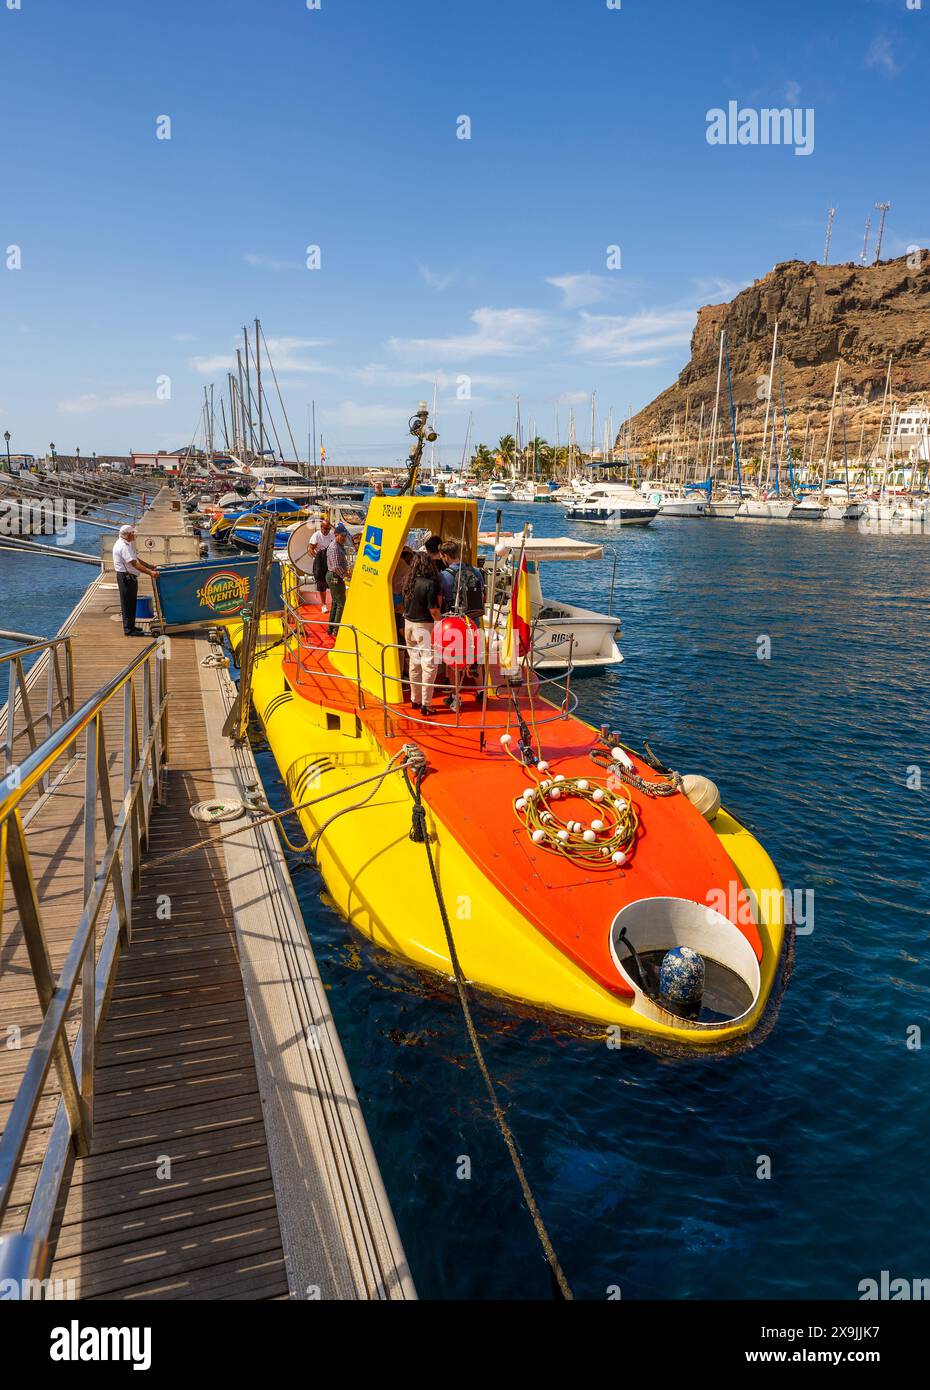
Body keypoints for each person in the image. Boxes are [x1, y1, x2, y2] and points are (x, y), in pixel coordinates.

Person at [403, 551, 442, 716]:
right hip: (423, 626)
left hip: (408, 625)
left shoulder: (409, 582)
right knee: (429, 666)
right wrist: (440, 623)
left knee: (414, 663)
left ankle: (415, 699)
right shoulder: (429, 584)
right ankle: (426, 704)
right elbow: (433, 610)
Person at [112, 524, 158, 636]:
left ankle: (131, 626)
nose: (134, 535)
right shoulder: (123, 546)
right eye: (133, 533)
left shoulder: (127, 544)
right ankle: (128, 629)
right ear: (128, 534)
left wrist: (149, 566)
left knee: (131, 602)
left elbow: (135, 558)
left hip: (129, 577)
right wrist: (150, 573)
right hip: (125, 577)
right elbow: (134, 564)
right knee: (127, 603)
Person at [324, 523, 352, 636]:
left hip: (334, 576)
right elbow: (336, 566)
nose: (344, 538)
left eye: (345, 536)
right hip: (335, 576)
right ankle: (336, 629)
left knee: (336, 602)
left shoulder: (338, 546)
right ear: (337, 535)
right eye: (343, 536)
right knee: (341, 603)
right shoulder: (335, 547)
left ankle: (331, 627)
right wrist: (346, 576)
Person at [308, 516, 332, 610]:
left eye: (329, 528)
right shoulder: (316, 536)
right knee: (321, 583)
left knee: (331, 581)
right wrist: (317, 558)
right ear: (321, 527)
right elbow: (310, 548)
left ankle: (333, 602)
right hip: (320, 563)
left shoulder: (332, 534)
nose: (327, 530)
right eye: (325, 528)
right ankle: (324, 605)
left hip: (329, 561)